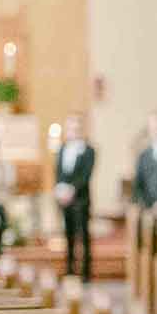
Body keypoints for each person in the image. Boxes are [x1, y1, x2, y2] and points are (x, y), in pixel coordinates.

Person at [54, 112, 96, 282]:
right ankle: (70, 268)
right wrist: (59, 188)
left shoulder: (89, 150)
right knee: (68, 234)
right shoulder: (63, 148)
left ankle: (86, 271)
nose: (73, 130)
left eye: (76, 127)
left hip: (81, 199)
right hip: (64, 198)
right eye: (70, 127)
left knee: (83, 234)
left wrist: (72, 190)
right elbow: (58, 171)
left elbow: (86, 175)